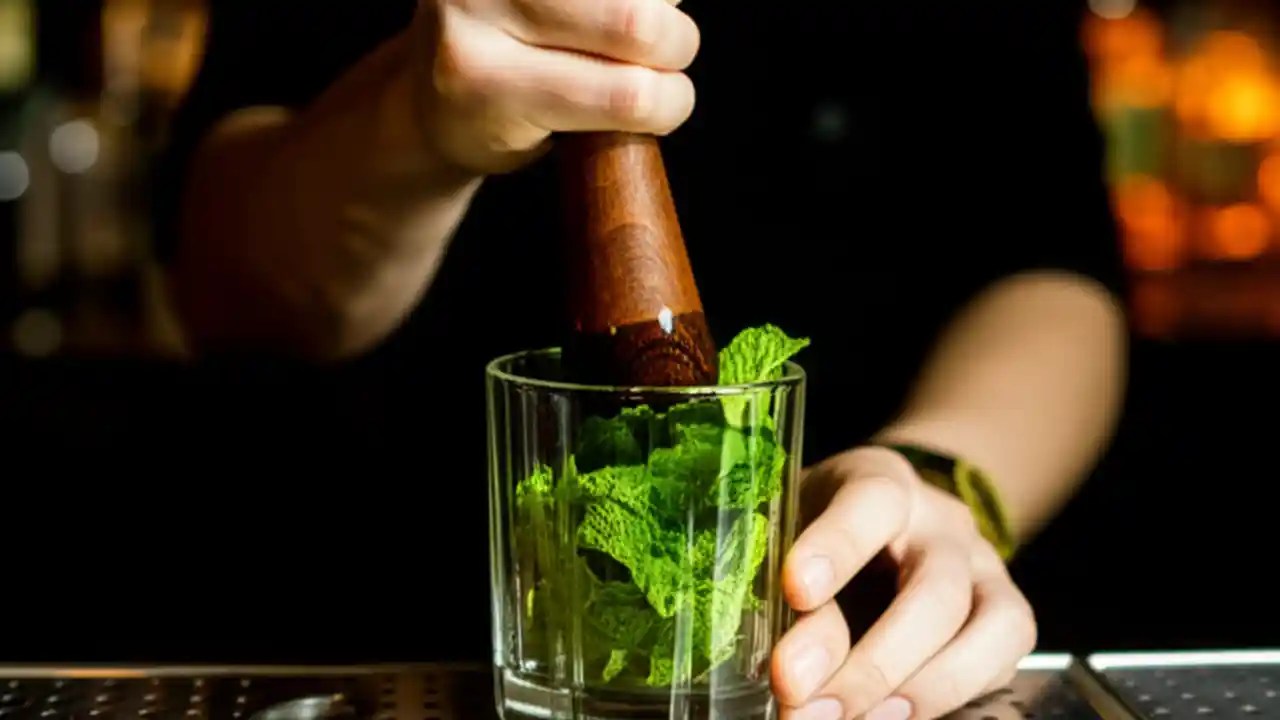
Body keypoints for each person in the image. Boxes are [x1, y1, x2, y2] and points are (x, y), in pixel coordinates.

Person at [156, 1, 1128, 718]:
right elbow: (224, 291)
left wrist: (933, 478)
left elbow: (1054, 265)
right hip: (362, 628)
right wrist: (412, 121)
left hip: (821, 655)